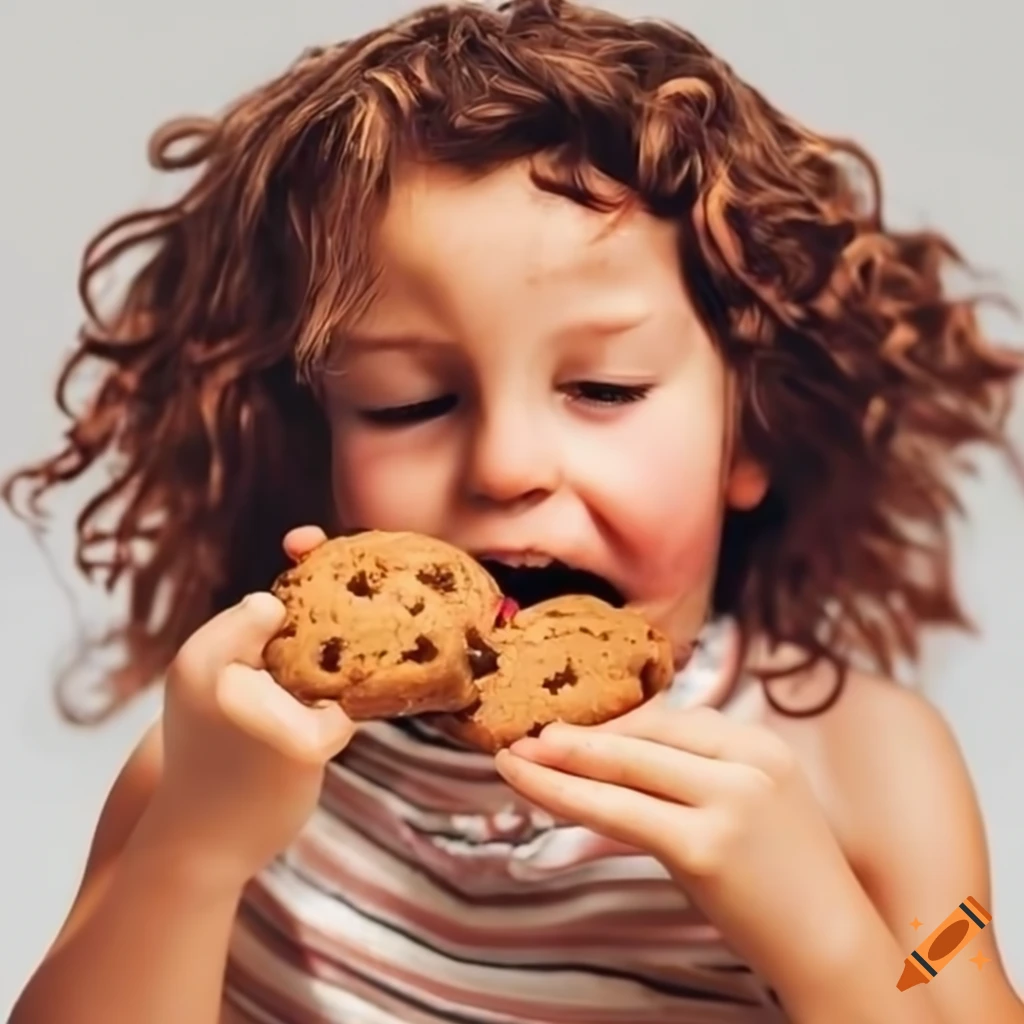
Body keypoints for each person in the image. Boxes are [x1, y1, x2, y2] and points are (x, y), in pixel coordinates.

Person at [5, 1, 1023, 1022]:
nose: (505, 465)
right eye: (410, 402)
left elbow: (955, 966)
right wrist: (193, 848)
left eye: (607, 388)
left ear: (748, 432)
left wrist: (828, 936)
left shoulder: (865, 757)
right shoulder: (229, 748)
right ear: (320, 441)